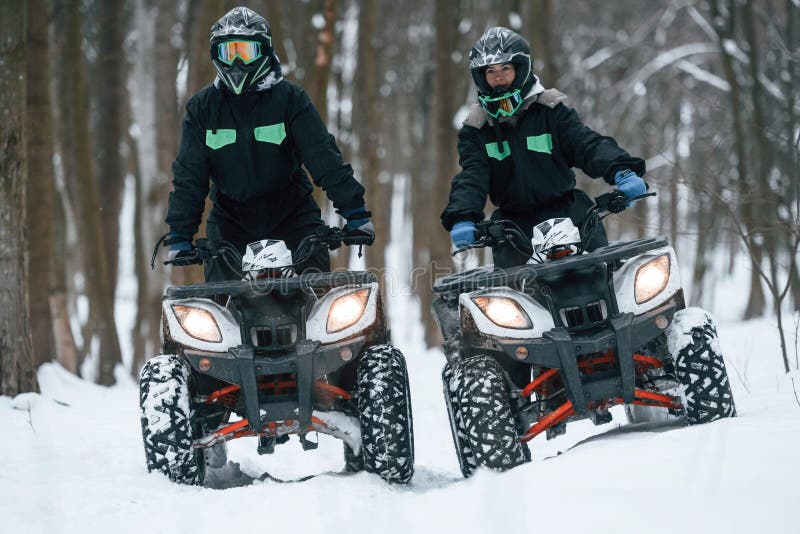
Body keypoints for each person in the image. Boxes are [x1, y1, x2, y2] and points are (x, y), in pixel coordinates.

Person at [165, 6, 373, 280]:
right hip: (230, 224)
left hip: (293, 218)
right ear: (216, 56)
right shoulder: (202, 108)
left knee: (323, 303)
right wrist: (180, 234)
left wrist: (355, 212)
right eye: (229, 53)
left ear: (264, 51)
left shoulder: (290, 99)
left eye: (245, 52)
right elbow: (189, 175)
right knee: (215, 310)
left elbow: (323, 157)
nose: (236, 63)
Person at [440, 27, 647, 269]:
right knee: (508, 295)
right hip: (511, 226)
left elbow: (586, 144)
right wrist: (463, 216)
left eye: (505, 69)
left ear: (520, 69)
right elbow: (472, 176)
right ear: (480, 76)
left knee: (608, 270)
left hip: (569, 210)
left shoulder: (551, 111)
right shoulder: (475, 130)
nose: (498, 78)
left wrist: (622, 170)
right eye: (490, 71)